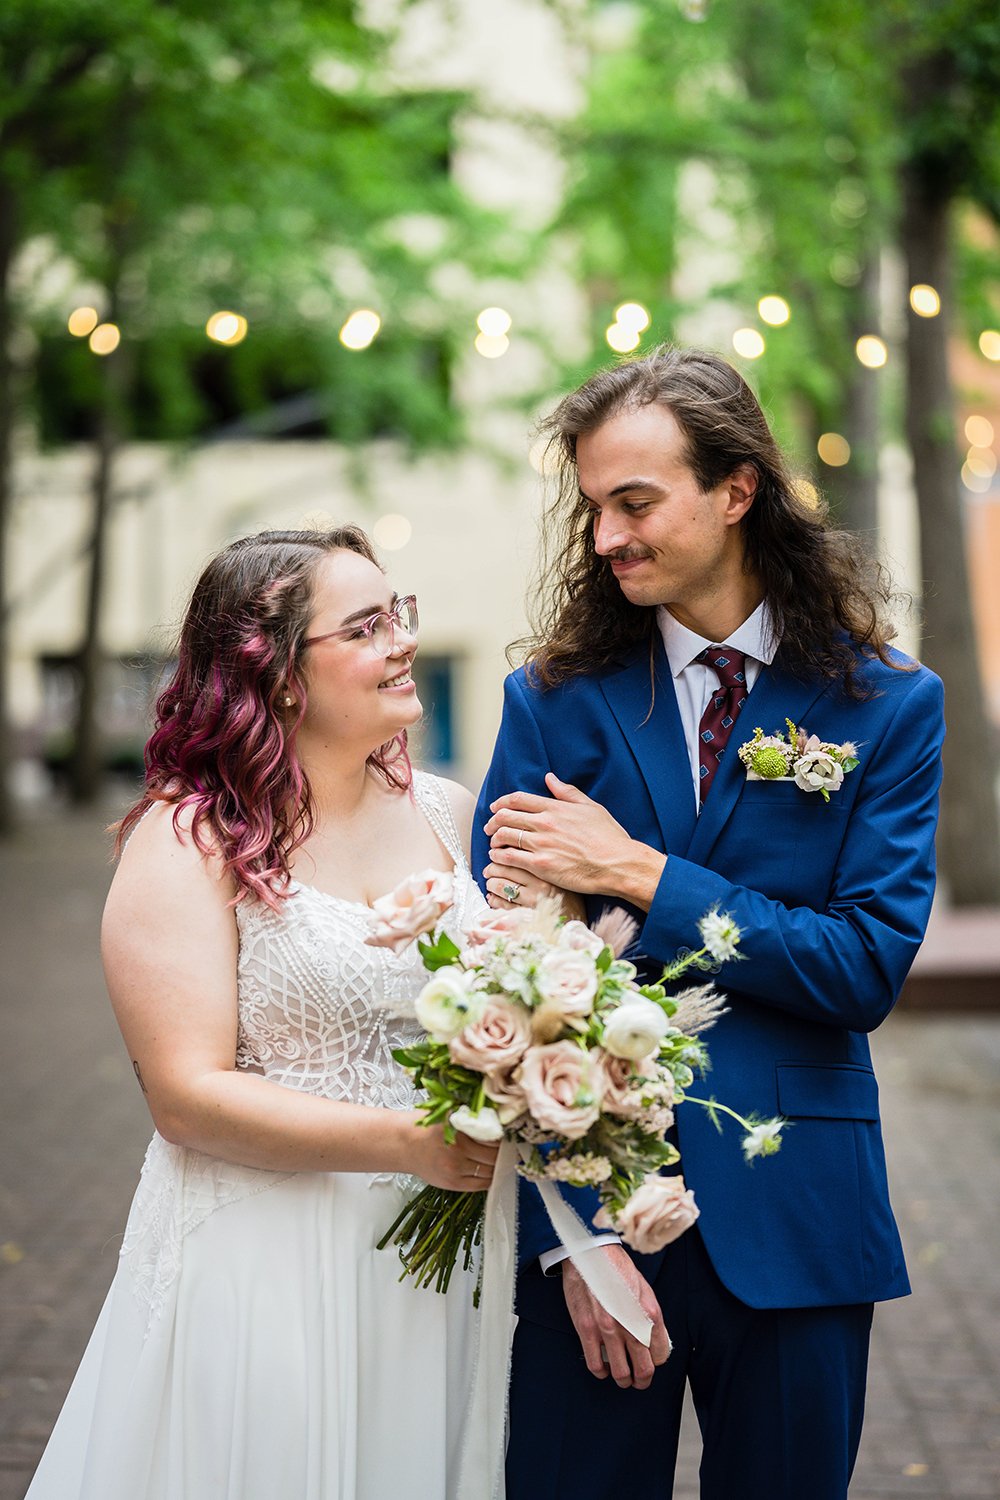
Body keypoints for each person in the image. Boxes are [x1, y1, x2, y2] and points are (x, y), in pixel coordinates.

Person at [472, 347, 945, 1500]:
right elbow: (495, 976)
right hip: (590, 1229)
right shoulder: (550, 701)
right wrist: (575, 1237)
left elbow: (859, 969)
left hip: (798, 1222)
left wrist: (636, 872)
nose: (605, 538)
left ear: (736, 491)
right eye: (592, 509)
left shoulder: (884, 706)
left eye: (634, 503)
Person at [27, 526, 499, 1500]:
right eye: (365, 626)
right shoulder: (188, 839)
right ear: (278, 674)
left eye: (397, 612)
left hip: (443, 1259)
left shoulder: (445, 811)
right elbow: (186, 1097)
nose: (403, 640)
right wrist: (410, 1142)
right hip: (270, 1261)